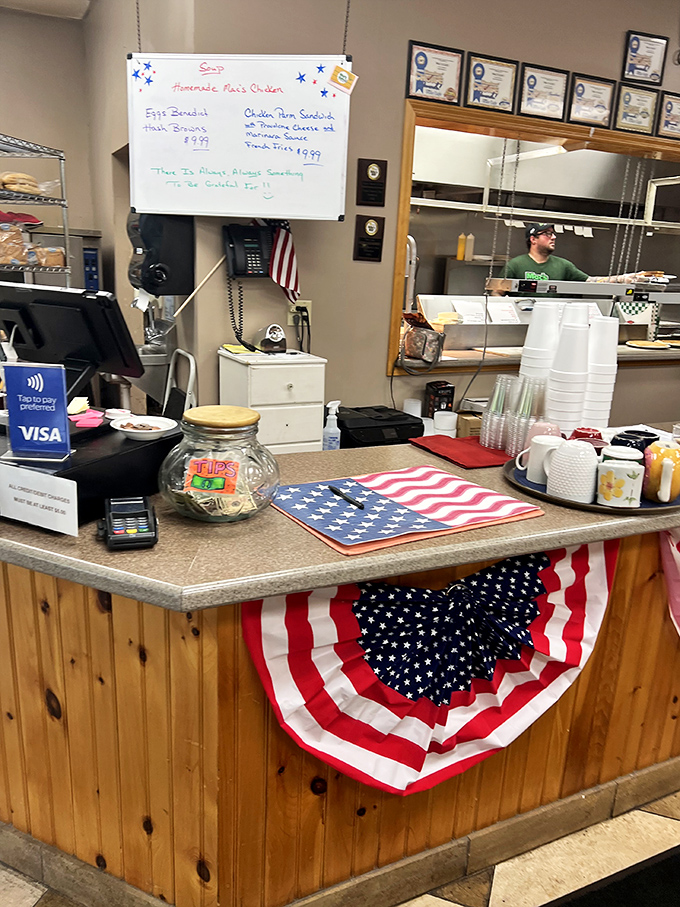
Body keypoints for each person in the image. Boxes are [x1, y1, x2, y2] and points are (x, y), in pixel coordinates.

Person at [502, 223, 589, 282]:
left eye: (553, 233)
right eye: (547, 234)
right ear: (533, 239)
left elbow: (589, 281)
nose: (553, 237)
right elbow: (496, 292)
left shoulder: (564, 266)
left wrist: (602, 281)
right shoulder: (515, 265)